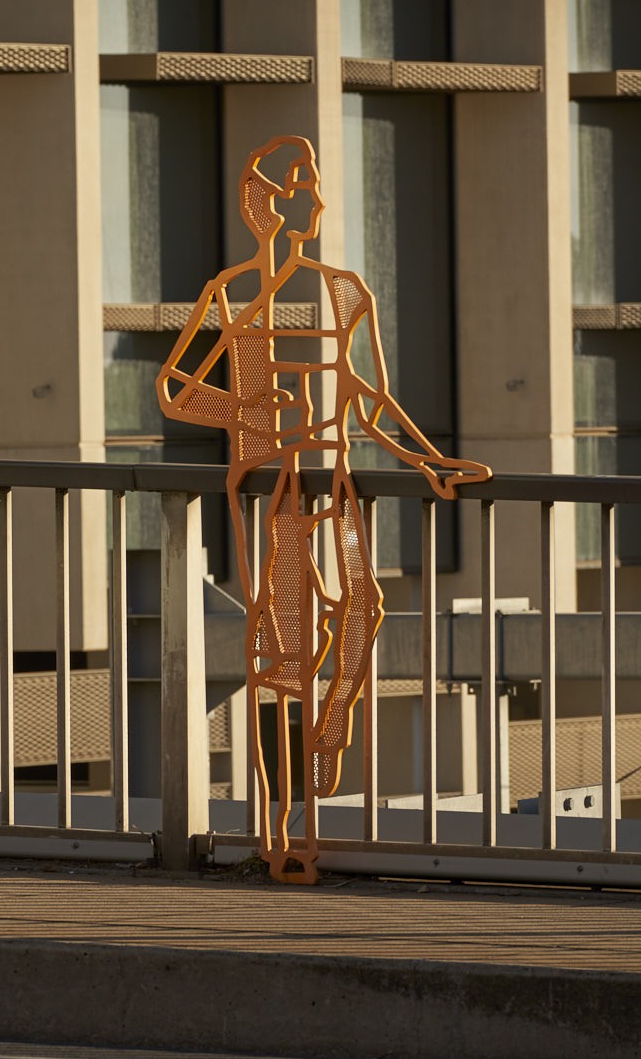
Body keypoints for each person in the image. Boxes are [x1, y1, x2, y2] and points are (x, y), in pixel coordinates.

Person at [157, 135, 489, 882]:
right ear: (266, 201)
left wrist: (428, 462)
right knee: (281, 663)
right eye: (302, 187)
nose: (319, 200)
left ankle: (331, 726)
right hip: (275, 493)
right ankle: (283, 835)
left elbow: (371, 403)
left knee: (365, 610)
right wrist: (241, 403)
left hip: (332, 483)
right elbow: (180, 388)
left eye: (316, 187)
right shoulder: (235, 294)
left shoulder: (343, 292)